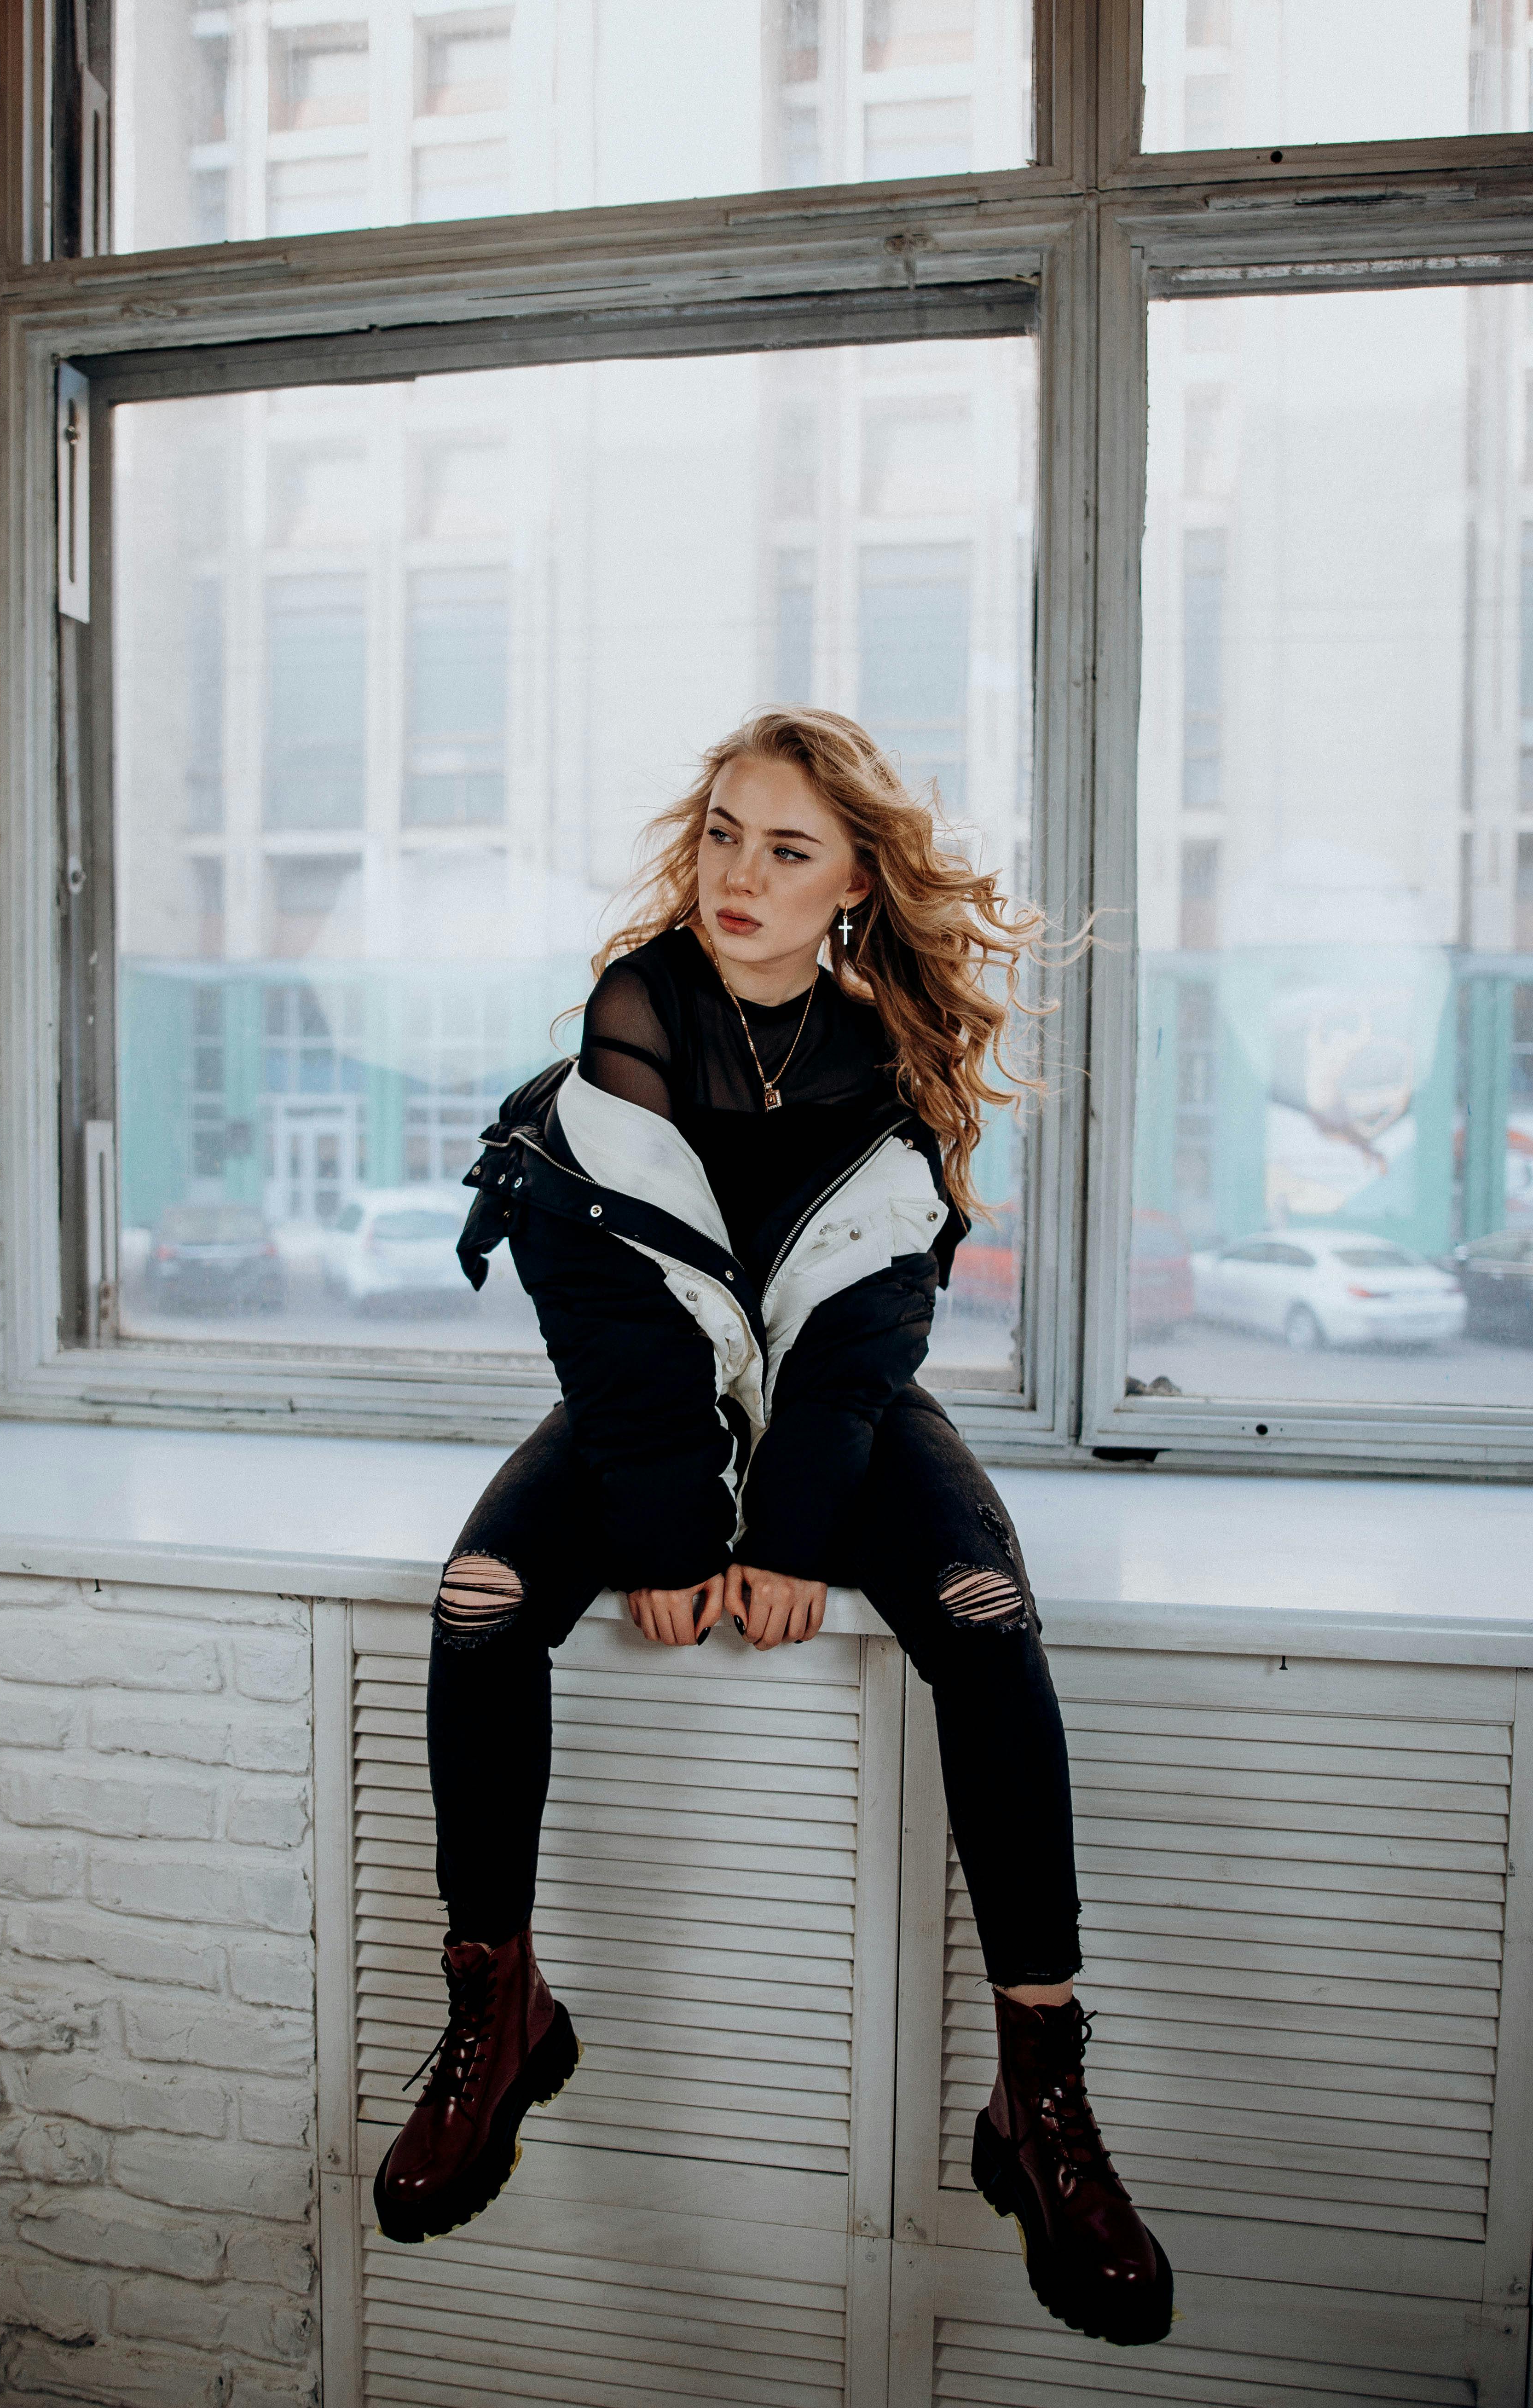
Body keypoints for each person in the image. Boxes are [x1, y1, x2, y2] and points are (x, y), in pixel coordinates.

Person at [373, 707, 1172, 2349]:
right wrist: (672, 1532)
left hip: (828, 1394)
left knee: (980, 1610)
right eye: (724, 831)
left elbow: (869, 1333)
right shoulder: (637, 1008)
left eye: (785, 848)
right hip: (646, 1396)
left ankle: (1041, 2094)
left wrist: (792, 1528)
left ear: (855, 882)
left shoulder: (888, 1050)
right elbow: (602, 1314)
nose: (738, 873)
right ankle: (496, 2006)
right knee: (473, 1599)